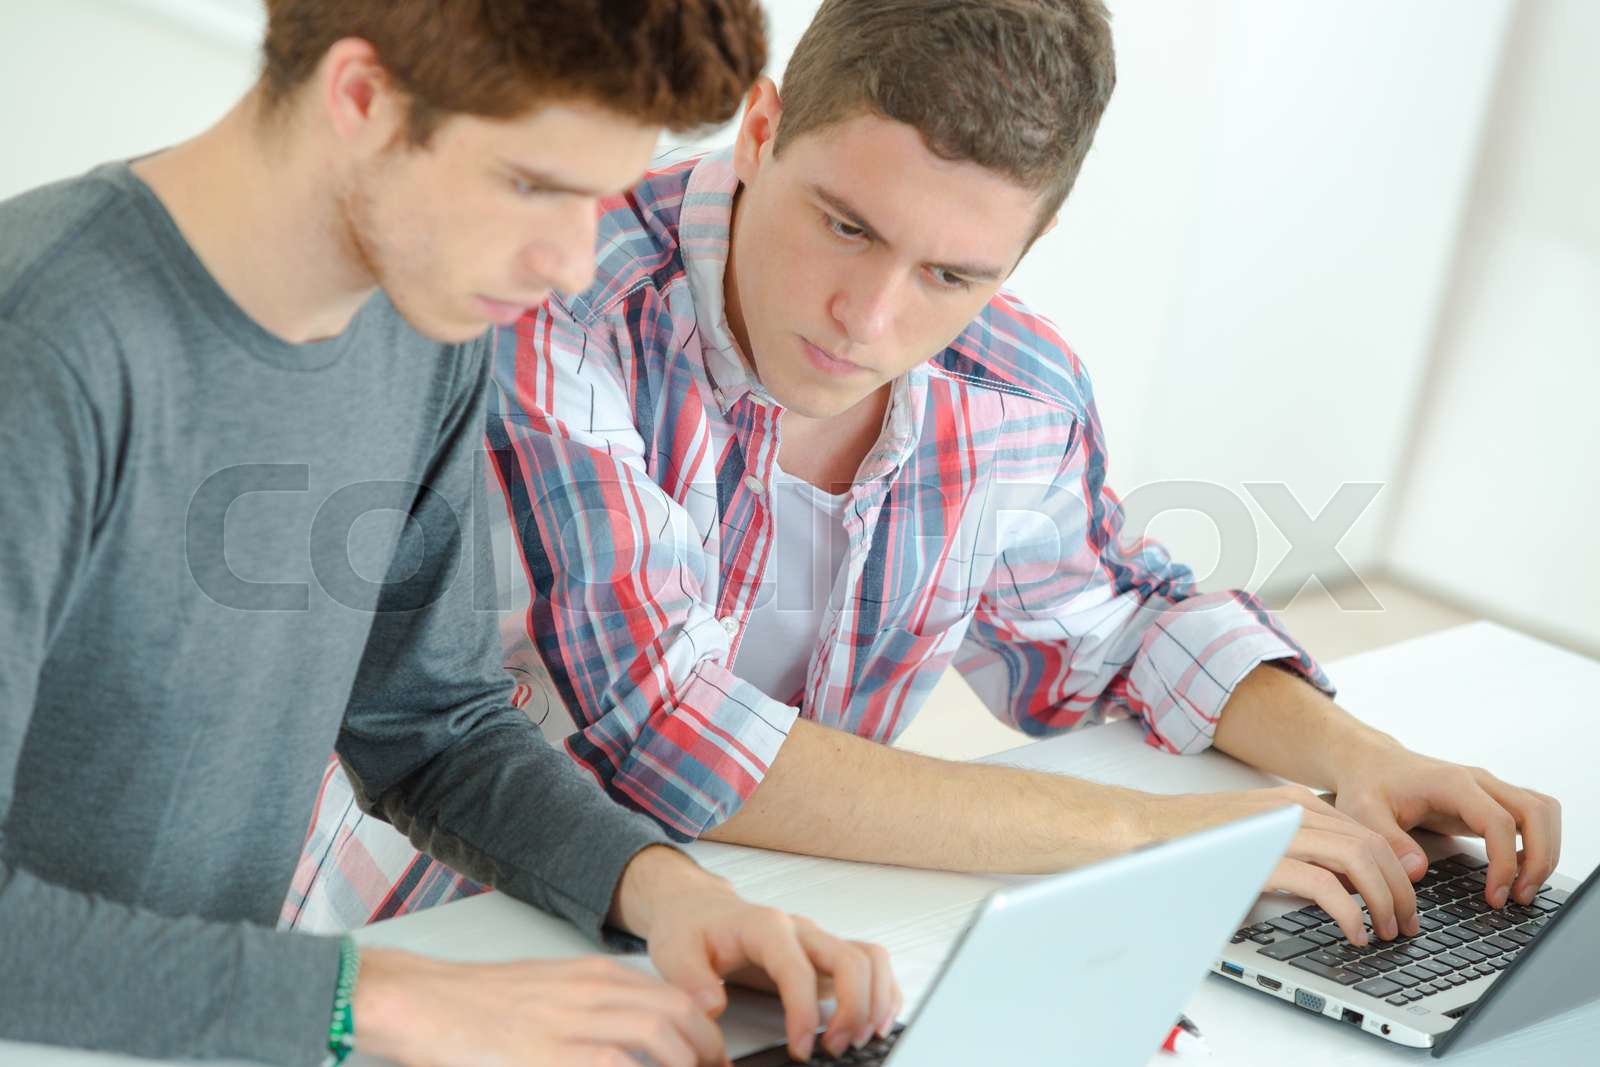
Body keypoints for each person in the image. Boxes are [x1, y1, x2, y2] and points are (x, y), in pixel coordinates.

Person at [299, 0, 1562, 963]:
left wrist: (1357, 754)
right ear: (759, 130)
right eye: (844, 224)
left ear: (1029, 244)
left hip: (776, 933)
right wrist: (1149, 838)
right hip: (447, 934)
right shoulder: (560, 297)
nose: (868, 317)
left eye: (953, 274)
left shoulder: (1012, 385)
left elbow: (1119, 624)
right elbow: (660, 728)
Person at [0, 2, 901, 1065]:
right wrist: (367, 993)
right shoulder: (42, 342)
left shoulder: (421, 317)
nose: (572, 264)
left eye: (599, 197)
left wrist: (668, 892)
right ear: (361, 98)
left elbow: (432, 724)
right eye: (533, 185)